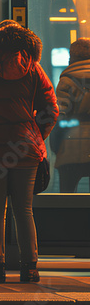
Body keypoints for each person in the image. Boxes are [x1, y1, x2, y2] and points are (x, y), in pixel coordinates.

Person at [0, 19, 57, 283]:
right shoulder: (34, 68)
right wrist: (35, 135)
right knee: (24, 210)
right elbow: (51, 109)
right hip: (26, 149)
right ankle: (30, 268)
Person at [52, 38, 90, 192]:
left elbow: (60, 117)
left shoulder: (66, 81)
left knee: (66, 196)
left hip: (70, 147)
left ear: (71, 57)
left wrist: (56, 146)